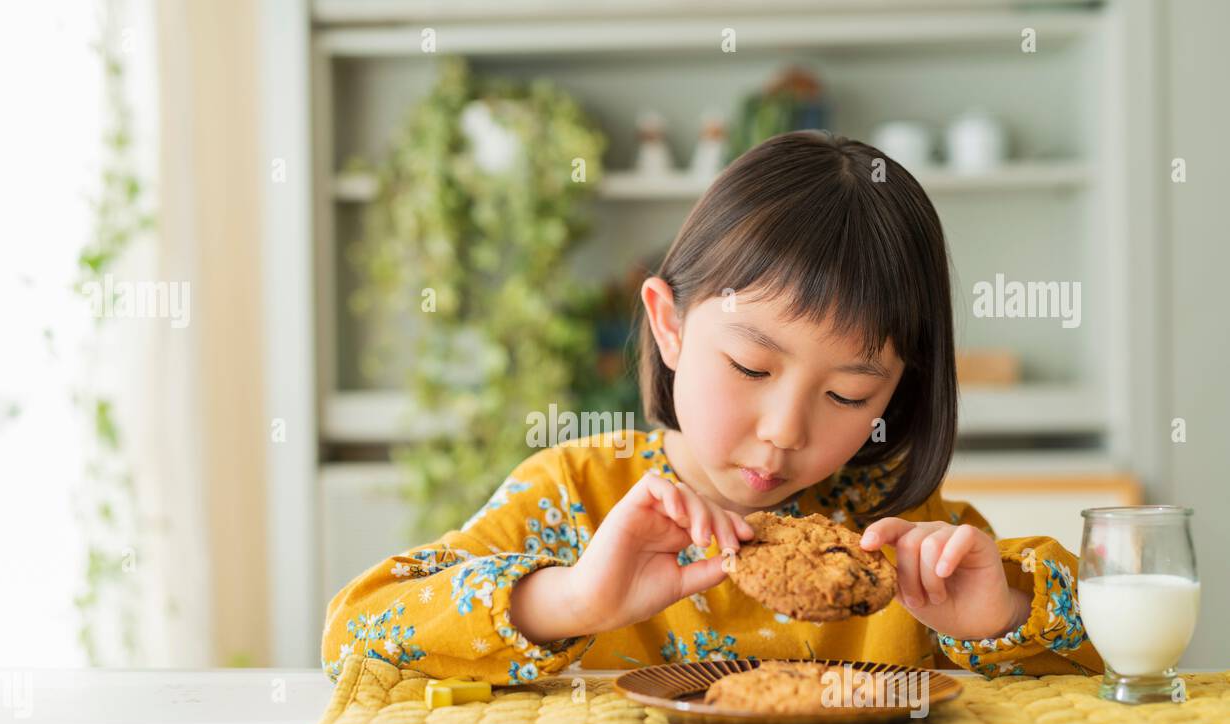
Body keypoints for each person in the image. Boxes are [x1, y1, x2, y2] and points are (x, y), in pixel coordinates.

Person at [320, 130, 1105, 686]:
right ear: (669, 325)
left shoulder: (894, 527)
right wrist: (570, 599)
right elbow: (356, 634)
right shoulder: (573, 498)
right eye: (750, 366)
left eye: (848, 394)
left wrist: (999, 613)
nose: (784, 431)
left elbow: (1100, 653)